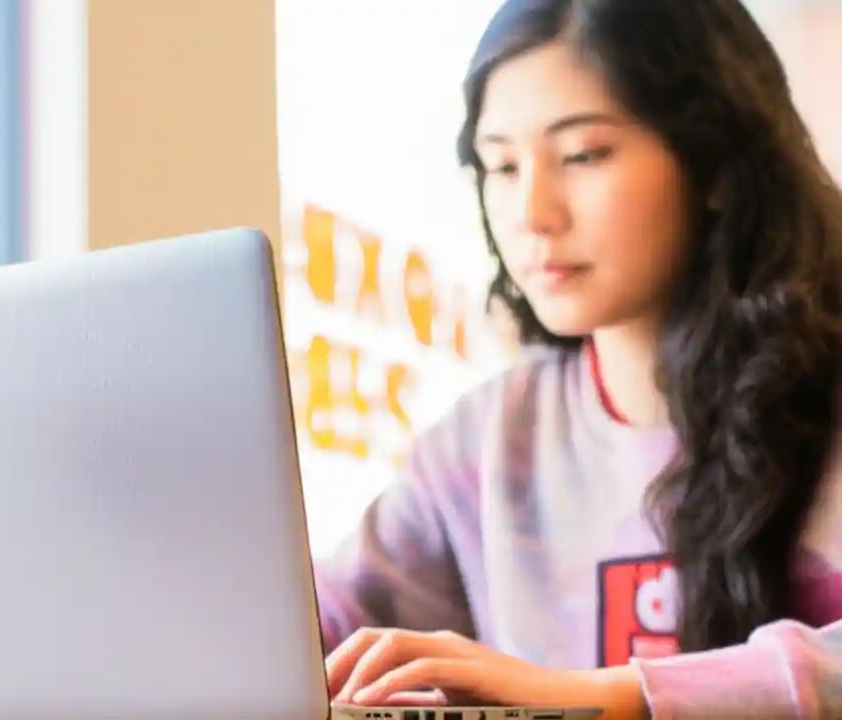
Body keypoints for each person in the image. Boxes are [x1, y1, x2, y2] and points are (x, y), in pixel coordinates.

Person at [314, 1, 842, 718]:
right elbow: (320, 624)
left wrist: (613, 700)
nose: (532, 212)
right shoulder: (486, 442)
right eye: (500, 166)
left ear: (716, 163)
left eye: (583, 154)